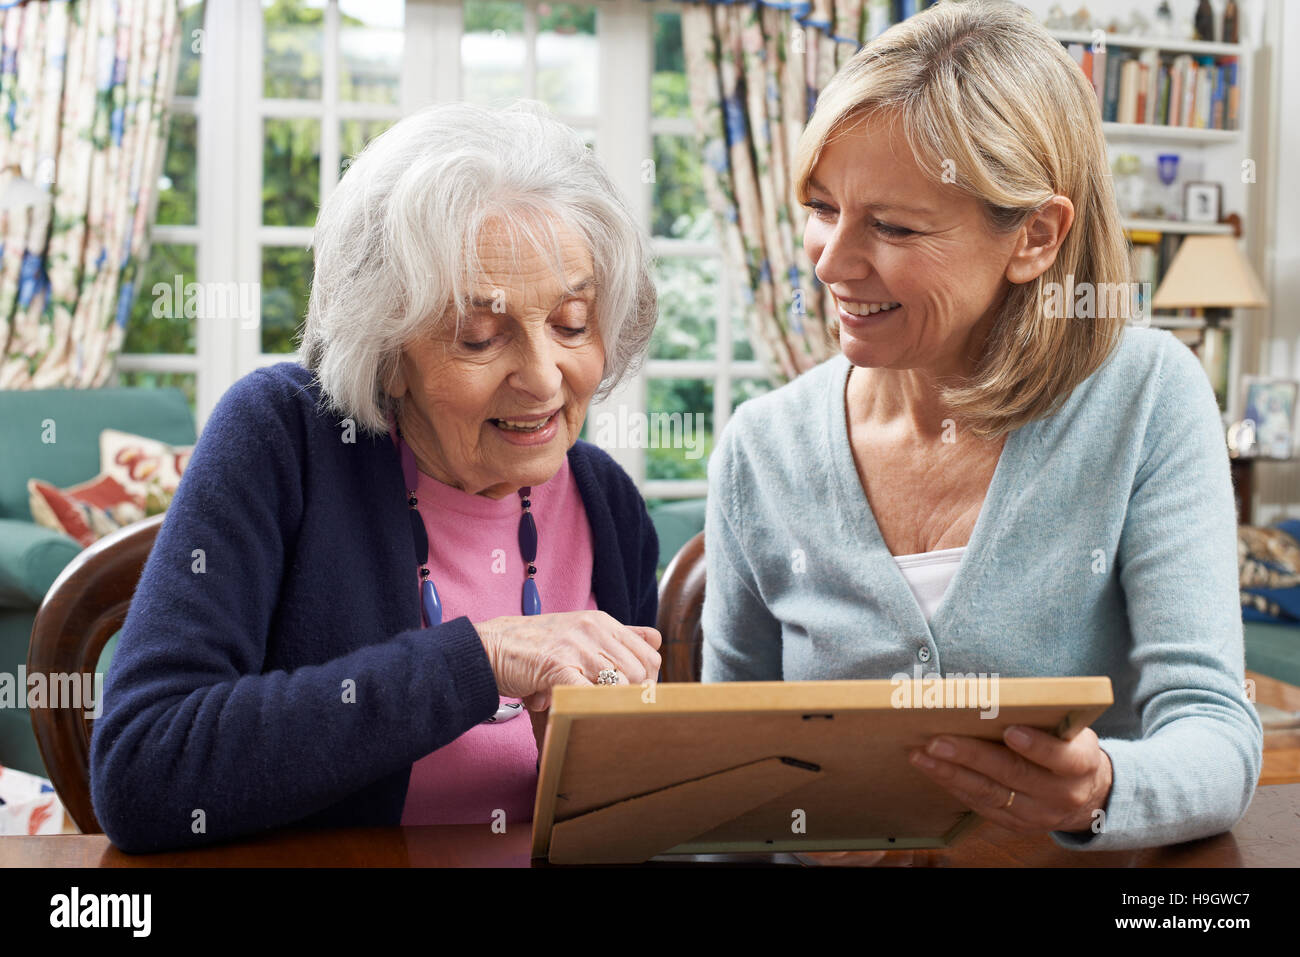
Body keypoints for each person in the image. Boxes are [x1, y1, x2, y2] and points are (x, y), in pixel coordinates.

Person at [701, 0, 1262, 852]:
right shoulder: (762, 444)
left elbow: (1217, 734)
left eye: (892, 225)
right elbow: (724, 771)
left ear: (1035, 235)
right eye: (822, 206)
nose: (828, 261)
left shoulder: (1147, 397)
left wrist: (1103, 788)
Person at [90, 101, 662, 853]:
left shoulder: (607, 504)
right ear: (387, 350)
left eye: (572, 322)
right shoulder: (281, 439)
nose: (543, 377)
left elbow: (633, 810)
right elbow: (144, 766)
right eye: (480, 336)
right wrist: (479, 658)